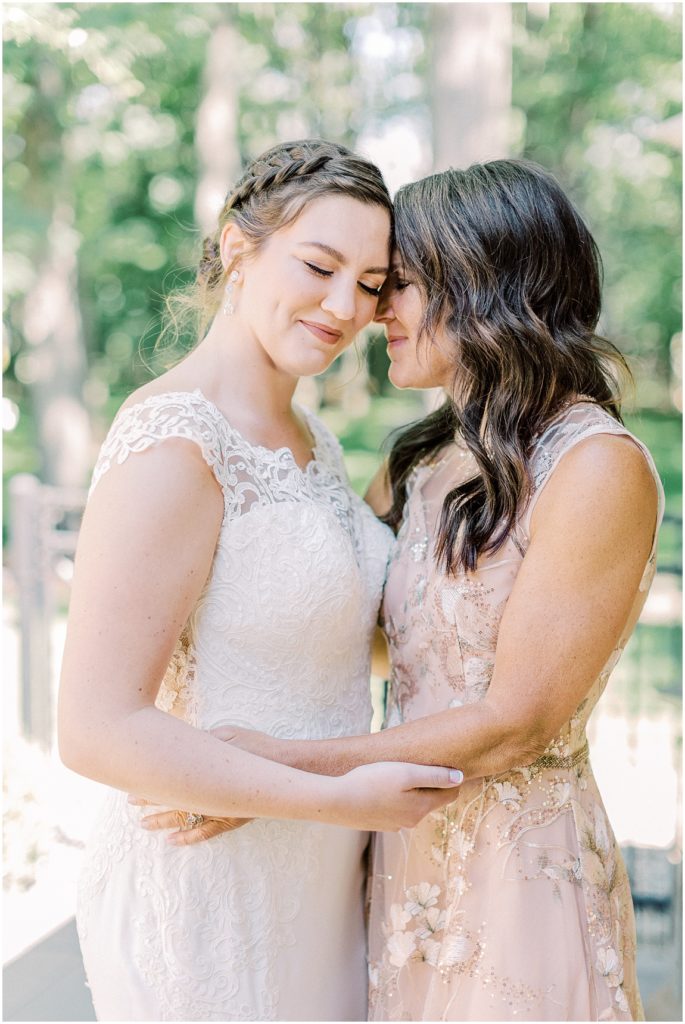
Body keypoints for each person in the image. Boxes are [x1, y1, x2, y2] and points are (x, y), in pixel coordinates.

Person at [148, 159, 662, 1021]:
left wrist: (276, 768)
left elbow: (517, 721)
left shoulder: (594, 465)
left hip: (517, 874)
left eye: (400, 284)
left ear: (484, 286)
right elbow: (336, 607)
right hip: (399, 857)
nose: (374, 310)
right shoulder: (422, 462)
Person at [57, 139, 462, 1023]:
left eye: (368, 283)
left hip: (320, 881)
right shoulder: (173, 440)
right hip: (213, 890)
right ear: (239, 247)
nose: (343, 306)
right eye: (319, 266)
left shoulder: (310, 433)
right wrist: (328, 796)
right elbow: (92, 727)